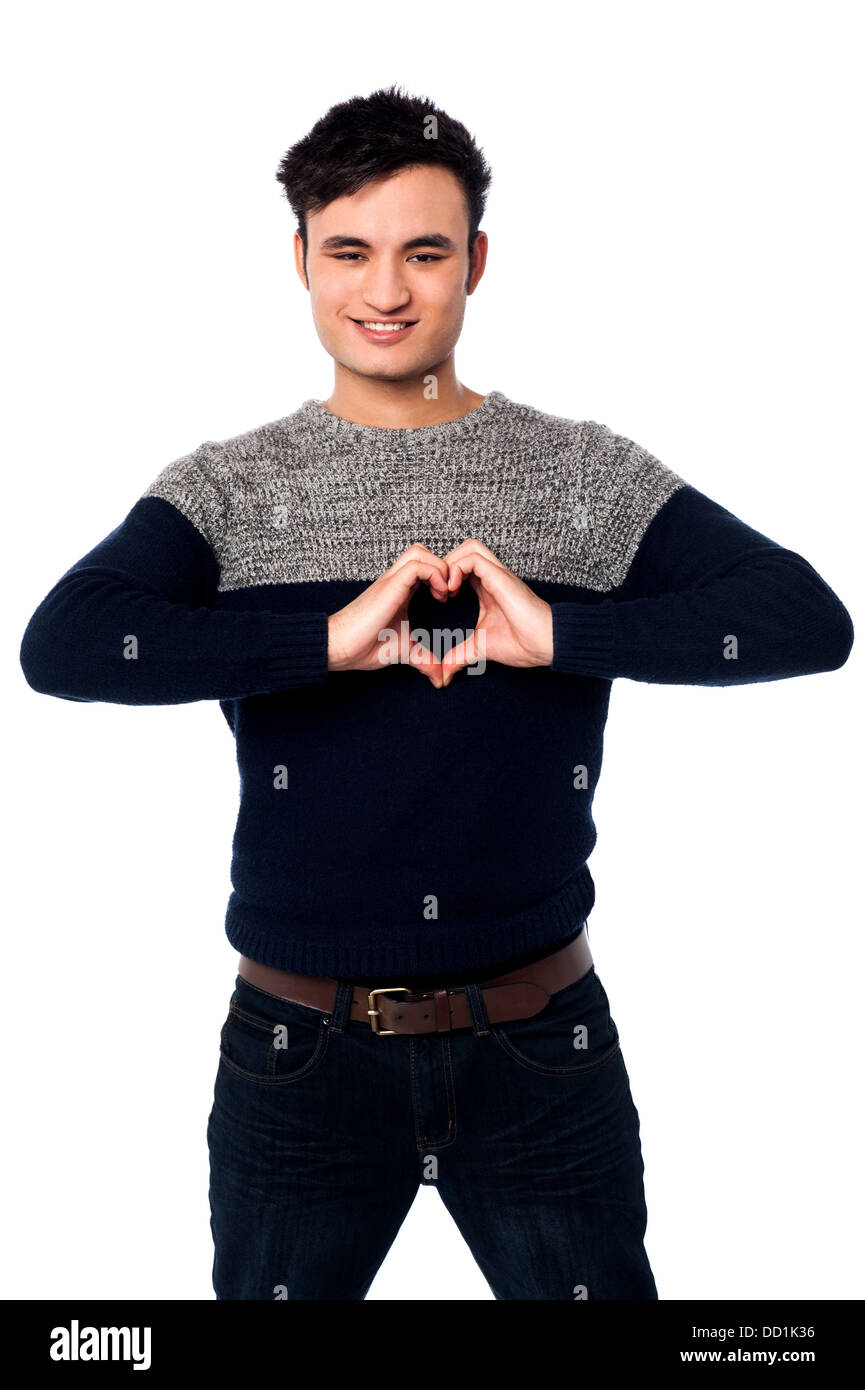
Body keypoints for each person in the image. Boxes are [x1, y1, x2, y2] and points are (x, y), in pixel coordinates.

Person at [19, 84, 854, 1301]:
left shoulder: (580, 475)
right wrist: (325, 643)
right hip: (298, 1050)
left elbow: (804, 618)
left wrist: (559, 630)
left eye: (422, 251)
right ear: (299, 259)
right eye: (349, 251)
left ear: (476, 261)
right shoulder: (231, 488)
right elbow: (66, 645)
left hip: (540, 1043)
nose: (386, 291)